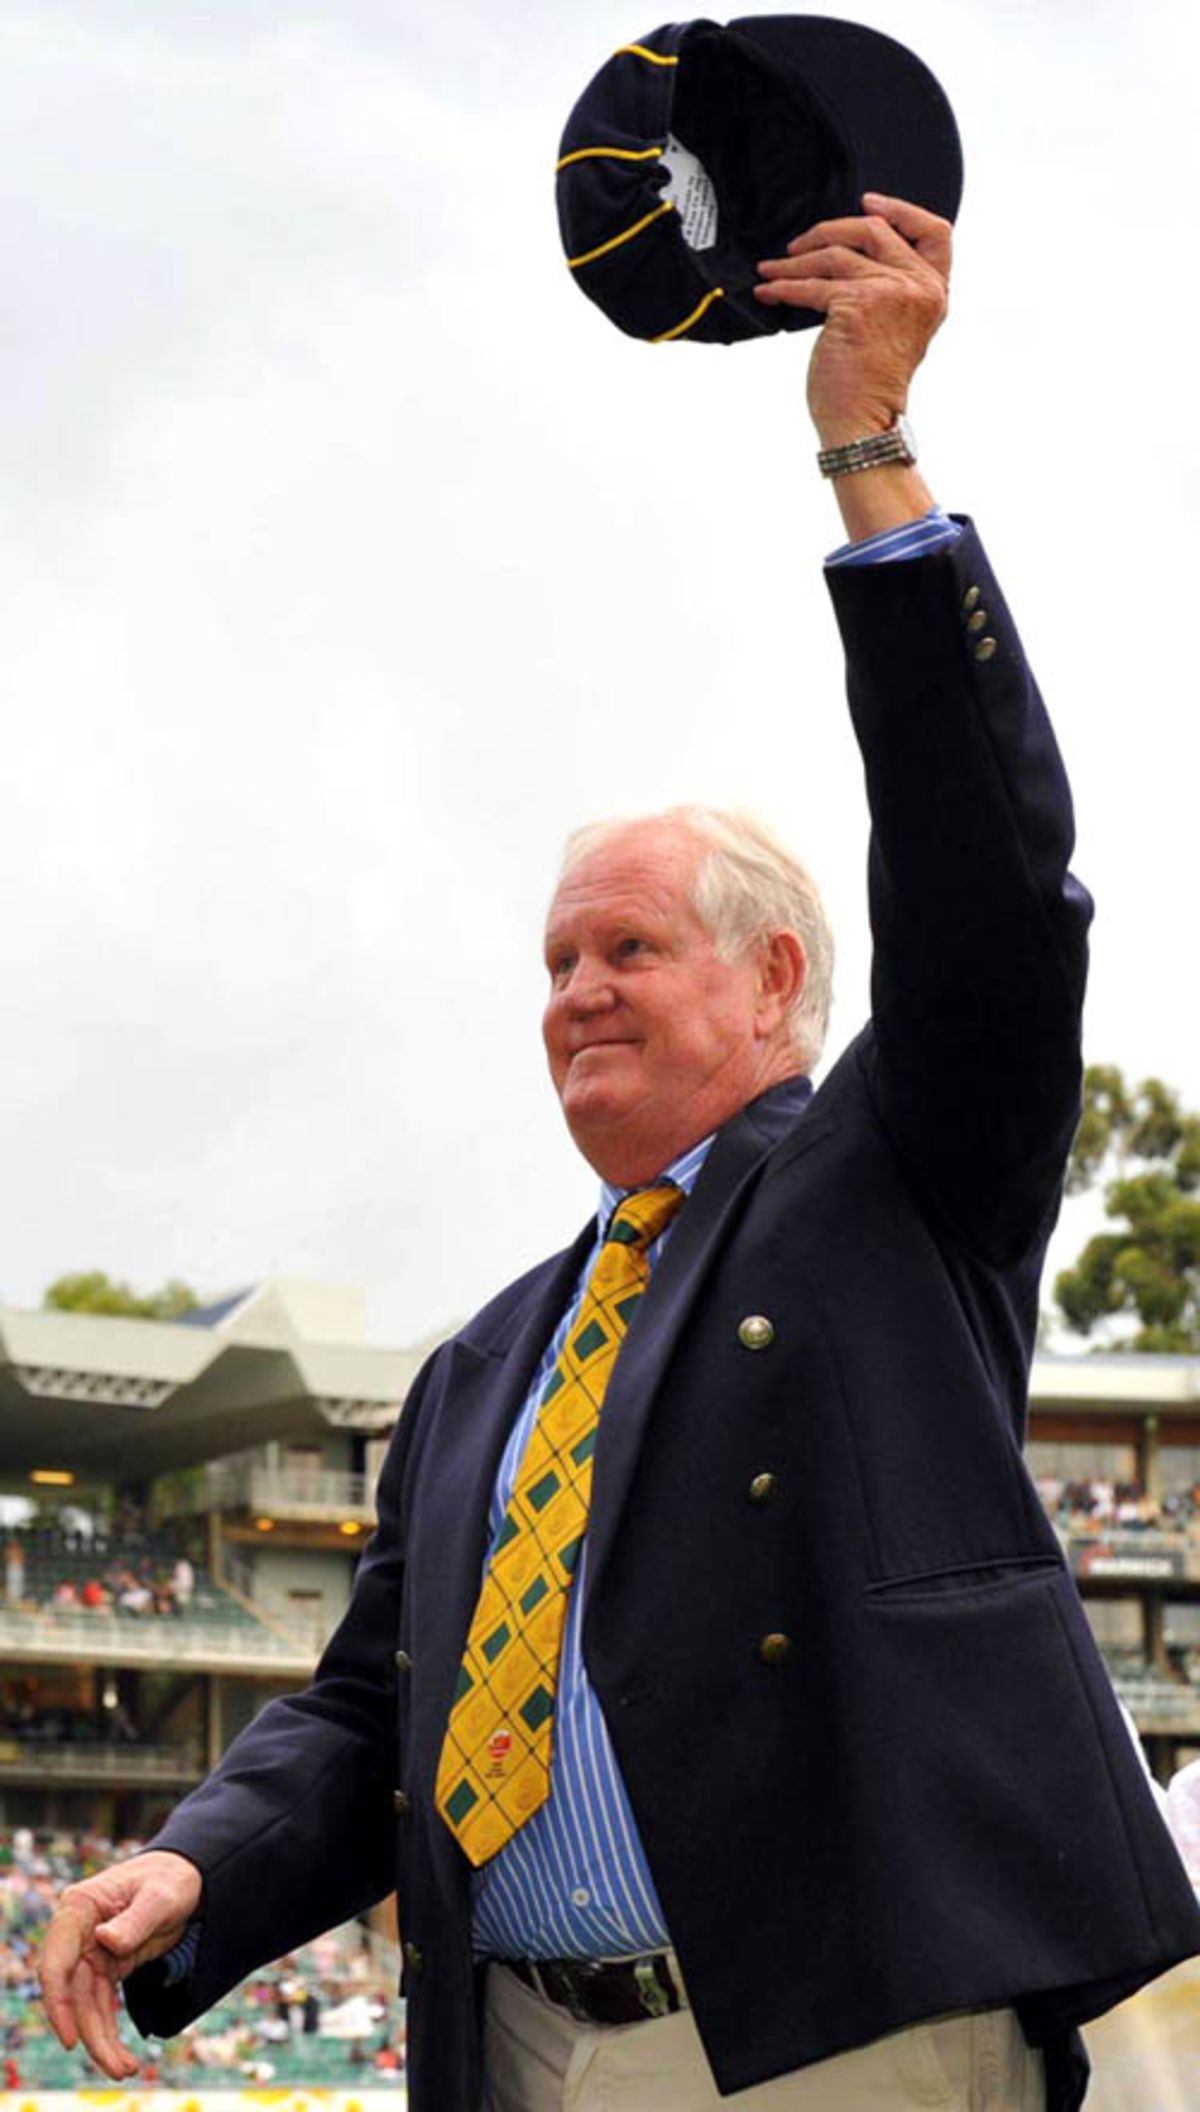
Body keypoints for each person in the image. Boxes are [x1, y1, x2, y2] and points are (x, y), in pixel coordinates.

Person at [39, 194, 1200, 2112]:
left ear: (777, 978)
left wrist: (869, 455)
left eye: (629, 949)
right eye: (556, 962)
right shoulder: (487, 1365)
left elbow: (991, 897)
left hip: (837, 2050)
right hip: (514, 2045)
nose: (575, 989)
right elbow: (375, 1704)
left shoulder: (892, 1191)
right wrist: (198, 1863)